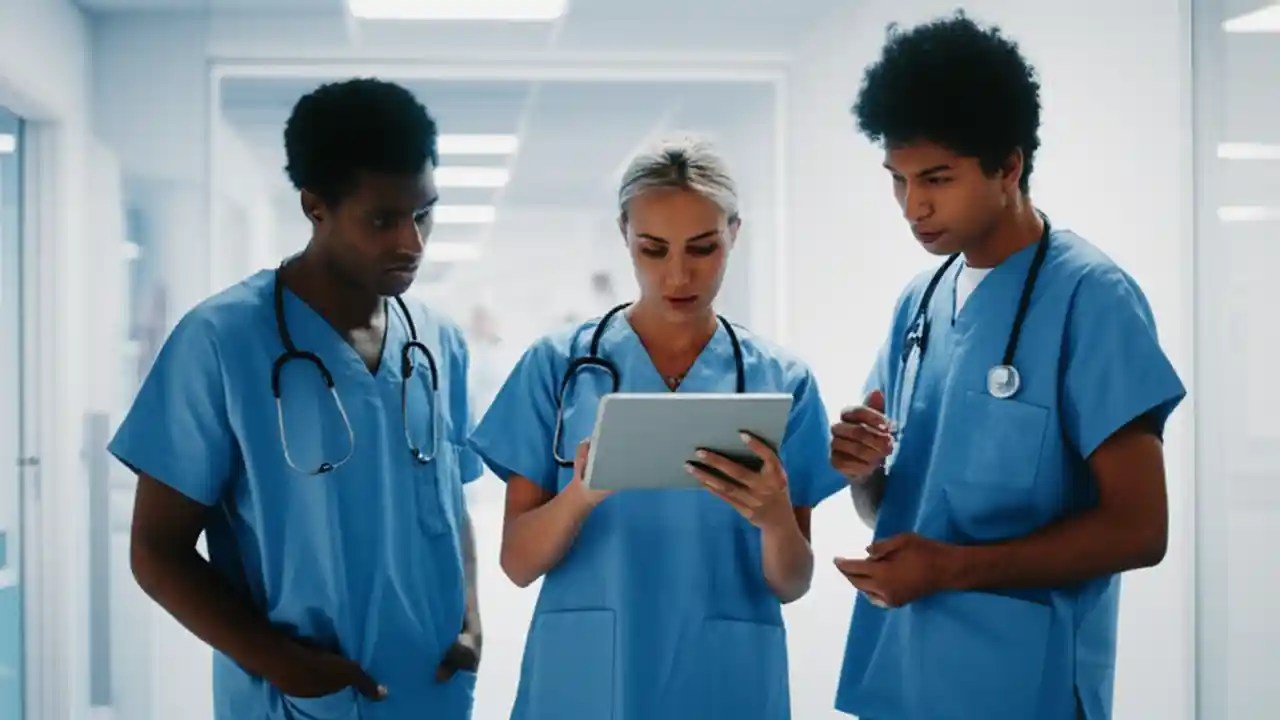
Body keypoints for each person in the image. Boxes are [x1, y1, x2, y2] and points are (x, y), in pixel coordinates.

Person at [828, 14, 1187, 720]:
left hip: (1026, 685)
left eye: (937, 178)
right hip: (905, 677)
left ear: (1009, 167)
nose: (913, 206)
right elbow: (901, 505)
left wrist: (951, 569)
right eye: (897, 180)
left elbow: (1140, 530)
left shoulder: (1091, 299)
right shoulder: (920, 303)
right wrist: (865, 471)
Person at [111, 78, 484, 720]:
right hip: (297, 697)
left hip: (430, 688)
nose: (412, 243)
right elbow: (157, 551)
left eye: (424, 213)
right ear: (316, 207)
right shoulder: (222, 339)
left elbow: (449, 505)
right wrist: (289, 668)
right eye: (382, 219)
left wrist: (471, 622)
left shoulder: (437, 342)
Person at [468, 135, 846, 719]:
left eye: (702, 248)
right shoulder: (559, 365)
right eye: (652, 249)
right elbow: (518, 564)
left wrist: (774, 518)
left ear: (734, 234)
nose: (678, 275)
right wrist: (583, 492)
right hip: (588, 678)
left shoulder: (781, 381)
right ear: (624, 235)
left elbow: (791, 583)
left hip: (725, 674)